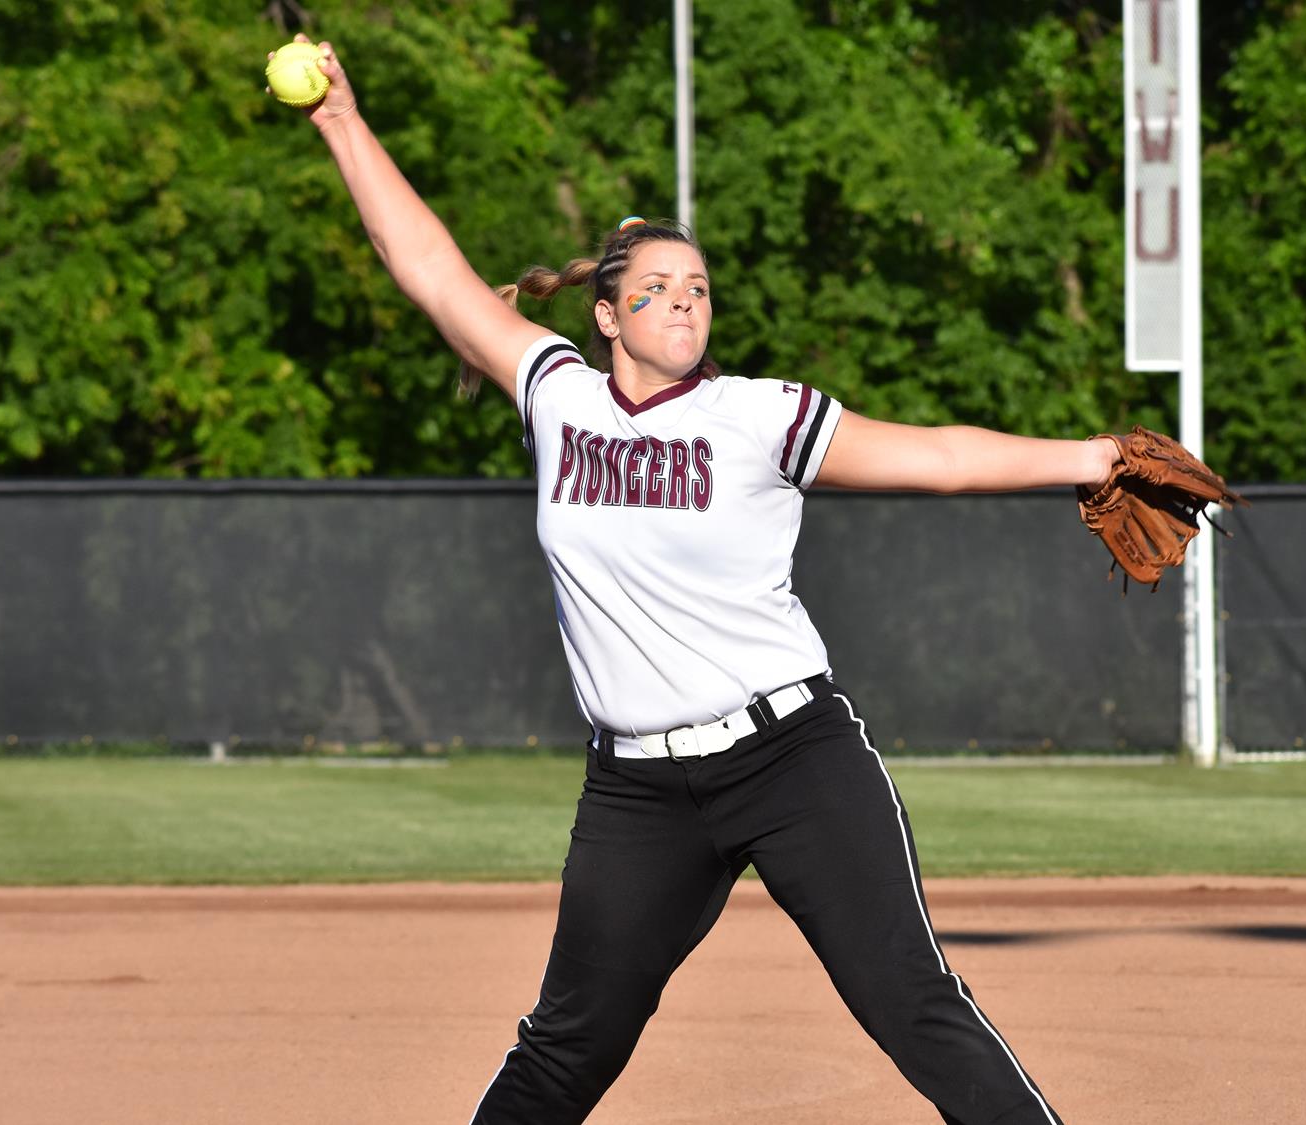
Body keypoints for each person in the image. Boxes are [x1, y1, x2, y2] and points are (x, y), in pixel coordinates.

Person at [285, 34, 1115, 1124]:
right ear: (605, 312)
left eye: (701, 287)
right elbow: (428, 266)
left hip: (790, 757)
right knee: (565, 1047)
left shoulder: (757, 417)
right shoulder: (555, 395)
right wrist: (341, 118)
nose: (685, 300)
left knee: (909, 999)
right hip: (637, 792)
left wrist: (1092, 458)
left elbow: (942, 459)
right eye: (660, 285)